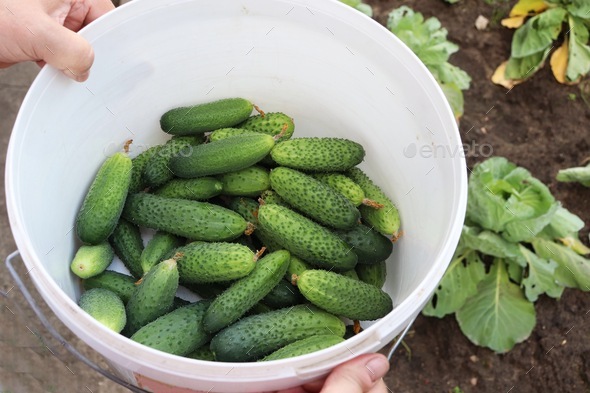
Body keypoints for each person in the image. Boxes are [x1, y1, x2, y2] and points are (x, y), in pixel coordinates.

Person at [0, 1, 391, 392]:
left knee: (251, 269)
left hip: (245, 251)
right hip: (221, 242)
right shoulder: (212, 210)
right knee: (209, 254)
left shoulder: (258, 227)